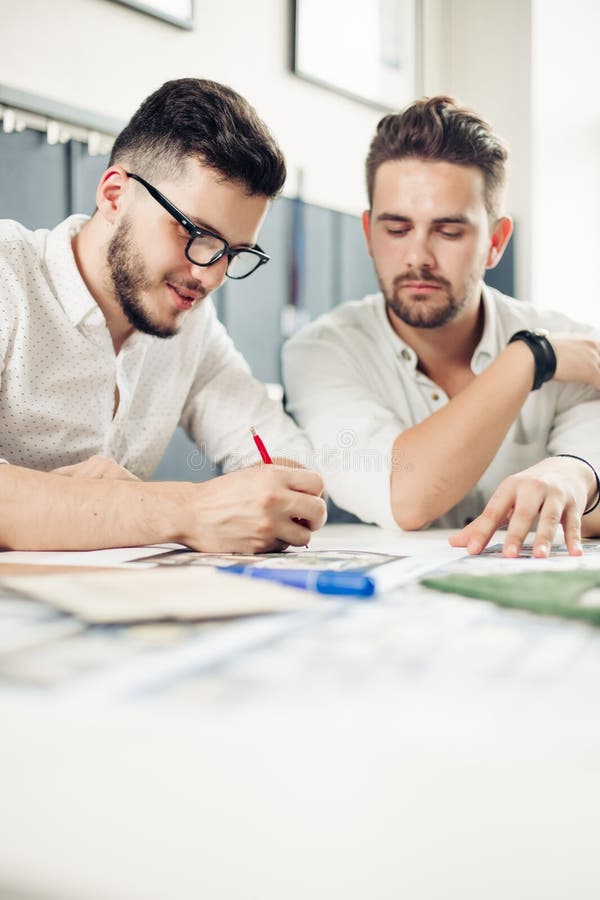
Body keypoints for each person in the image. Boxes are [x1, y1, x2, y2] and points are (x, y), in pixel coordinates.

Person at [0, 78, 326, 552]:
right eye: (195, 233)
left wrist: (271, 493)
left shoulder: (191, 326)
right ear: (114, 196)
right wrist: (176, 511)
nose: (210, 275)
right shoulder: (8, 275)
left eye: (233, 253)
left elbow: (293, 461)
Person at [283, 96, 600, 557]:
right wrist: (528, 360)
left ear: (495, 242)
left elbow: (590, 485)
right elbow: (404, 498)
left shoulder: (571, 339)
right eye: (396, 229)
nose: (418, 257)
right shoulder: (321, 352)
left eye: (448, 231)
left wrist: (573, 473)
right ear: (369, 233)